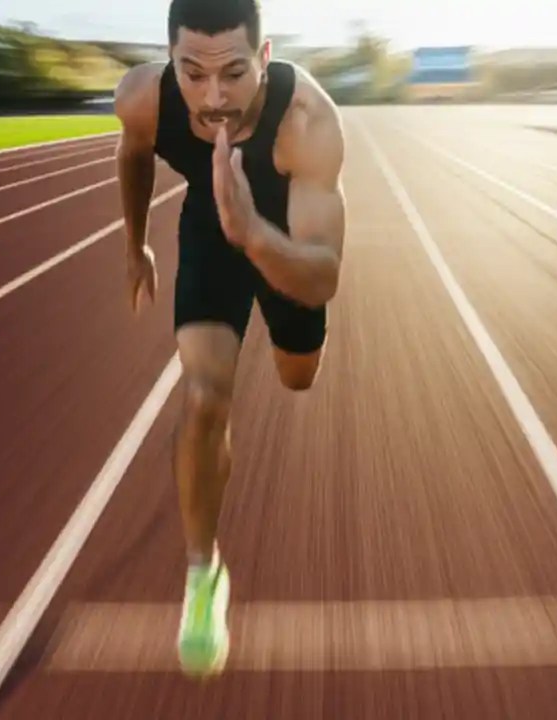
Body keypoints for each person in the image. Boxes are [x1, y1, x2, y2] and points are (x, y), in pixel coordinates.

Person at [112, 0, 347, 678]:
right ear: (169, 62)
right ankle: (203, 574)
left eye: (234, 73)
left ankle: (282, 327)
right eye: (193, 74)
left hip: (285, 232)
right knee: (203, 396)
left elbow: (323, 277)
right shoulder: (142, 98)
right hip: (212, 228)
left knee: (298, 376)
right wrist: (135, 246)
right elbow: (133, 152)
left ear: (265, 58)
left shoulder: (307, 122)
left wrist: (255, 235)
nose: (214, 97)